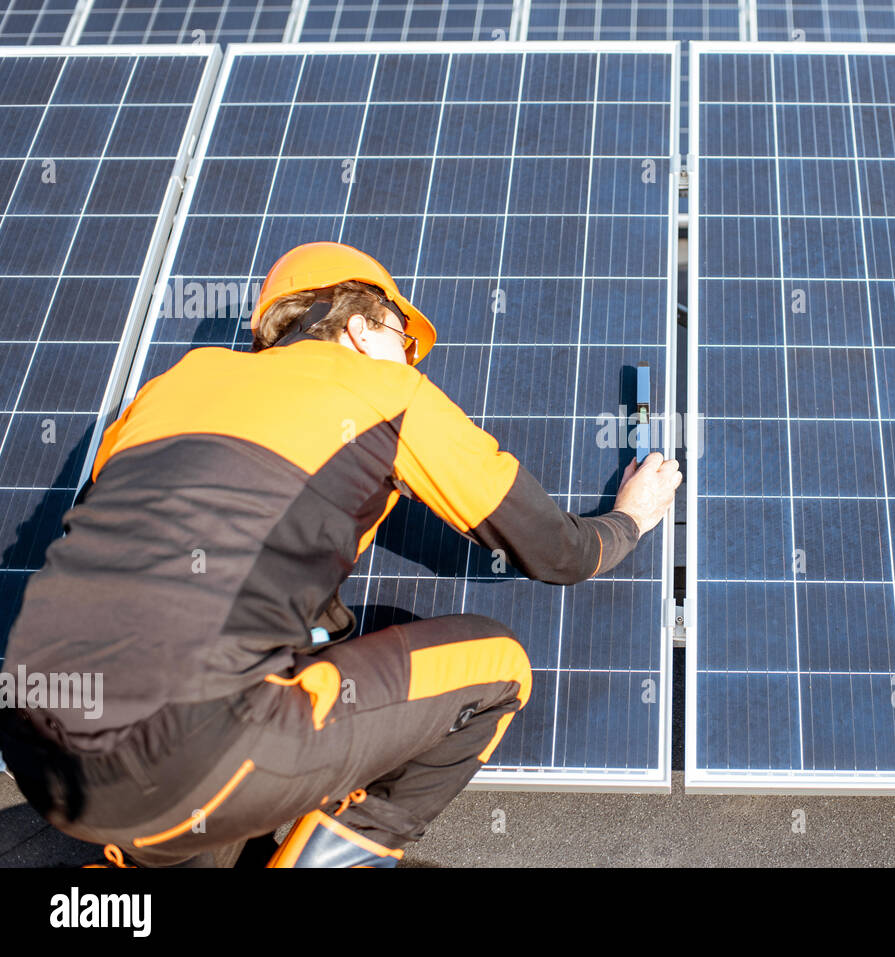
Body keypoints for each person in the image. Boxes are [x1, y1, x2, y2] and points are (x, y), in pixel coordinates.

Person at [0, 241, 680, 868]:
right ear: (358, 327)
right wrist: (628, 518)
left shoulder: (170, 387)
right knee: (502, 667)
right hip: (192, 751)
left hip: (36, 747)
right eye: (402, 338)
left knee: (292, 657)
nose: (413, 359)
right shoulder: (389, 396)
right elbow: (556, 550)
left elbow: (119, 550)